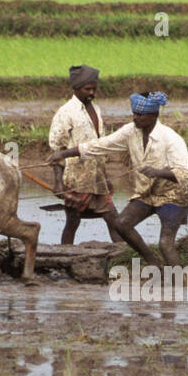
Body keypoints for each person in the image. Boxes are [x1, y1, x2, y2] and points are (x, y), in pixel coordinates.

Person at [47, 91, 188, 266]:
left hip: (173, 196)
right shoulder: (131, 131)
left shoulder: (171, 138)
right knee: (121, 224)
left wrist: (158, 172)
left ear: (153, 115)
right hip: (146, 194)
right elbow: (99, 146)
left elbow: (185, 173)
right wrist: (64, 154)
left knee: (165, 243)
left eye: (140, 115)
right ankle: (153, 262)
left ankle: (178, 283)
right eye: (134, 114)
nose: (135, 118)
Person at [47, 65, 123, 245]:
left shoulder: (95, 109)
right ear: (76, 88)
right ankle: (65, 256)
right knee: (72, 222)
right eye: (87, 89)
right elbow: (57, 151)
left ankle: (125, 255)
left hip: (96, 178)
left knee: (113, 219)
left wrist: (105, 177)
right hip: (76, 179)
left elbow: (100, 145)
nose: (92, 92)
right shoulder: (66, 112)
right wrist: (58, 183)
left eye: (94, 89)